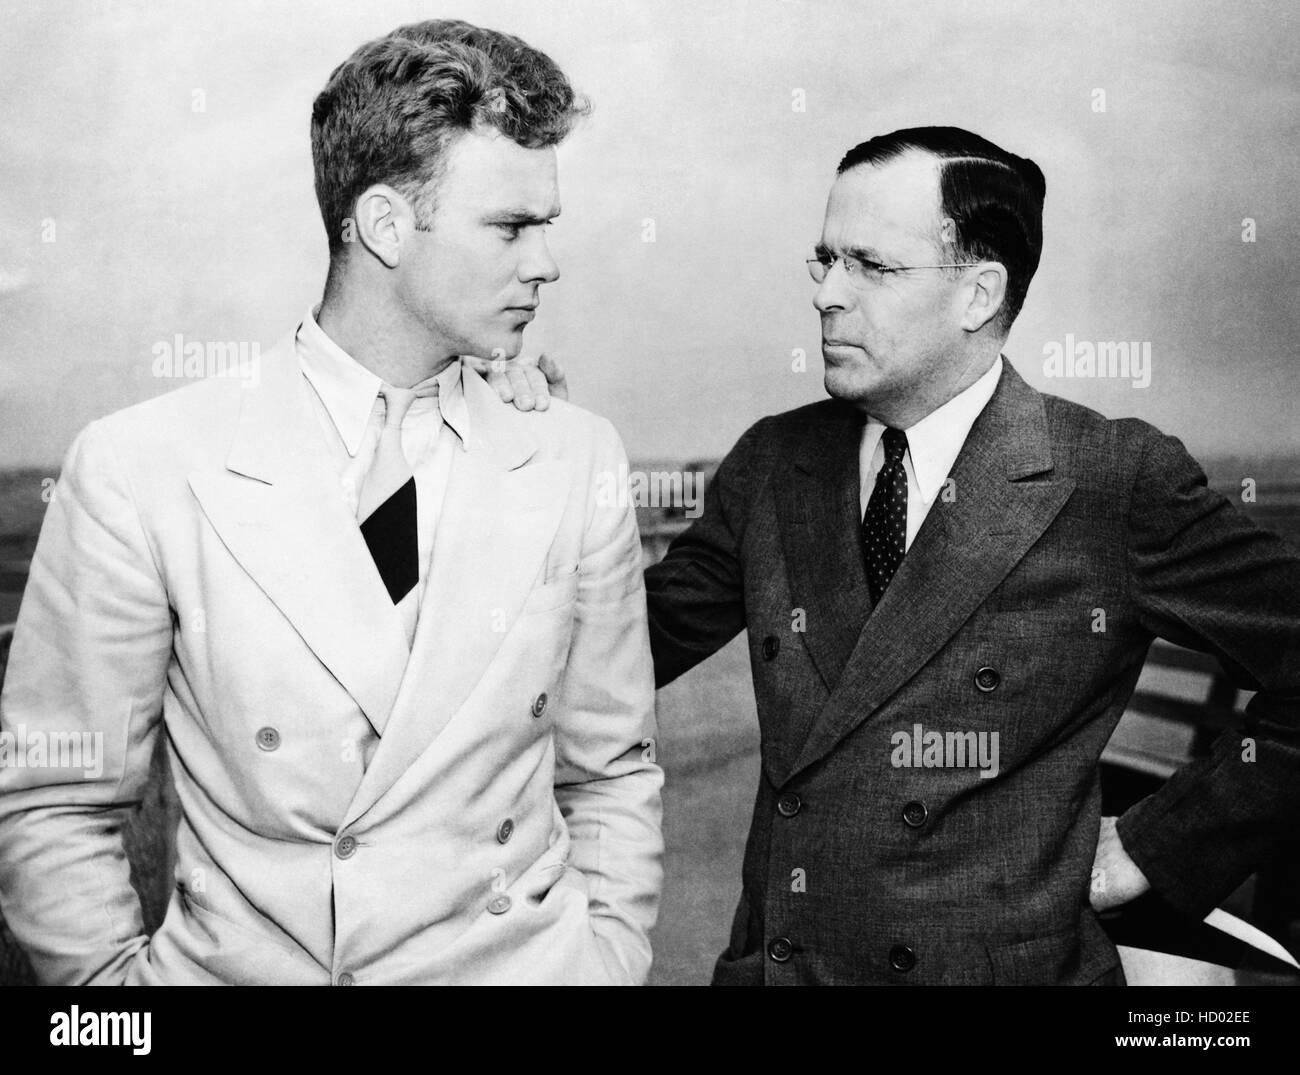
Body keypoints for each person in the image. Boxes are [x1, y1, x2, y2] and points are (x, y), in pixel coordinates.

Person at [507, 126, 1300, 985]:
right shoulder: (776, 463)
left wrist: (1158, 844)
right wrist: (525, 466)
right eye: (826, 261)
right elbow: (610, 649)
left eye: (872, 267)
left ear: (978, 293)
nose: (828, 295)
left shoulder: (1108, 477)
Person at [0, 19, 663, 986]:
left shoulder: (572, 456)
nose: (546, 263)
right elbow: (58, 800)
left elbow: (610, 770)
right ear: (387, 225)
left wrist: (604, 963)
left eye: (545, 226)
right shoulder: (142, 467)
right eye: (512, 226)